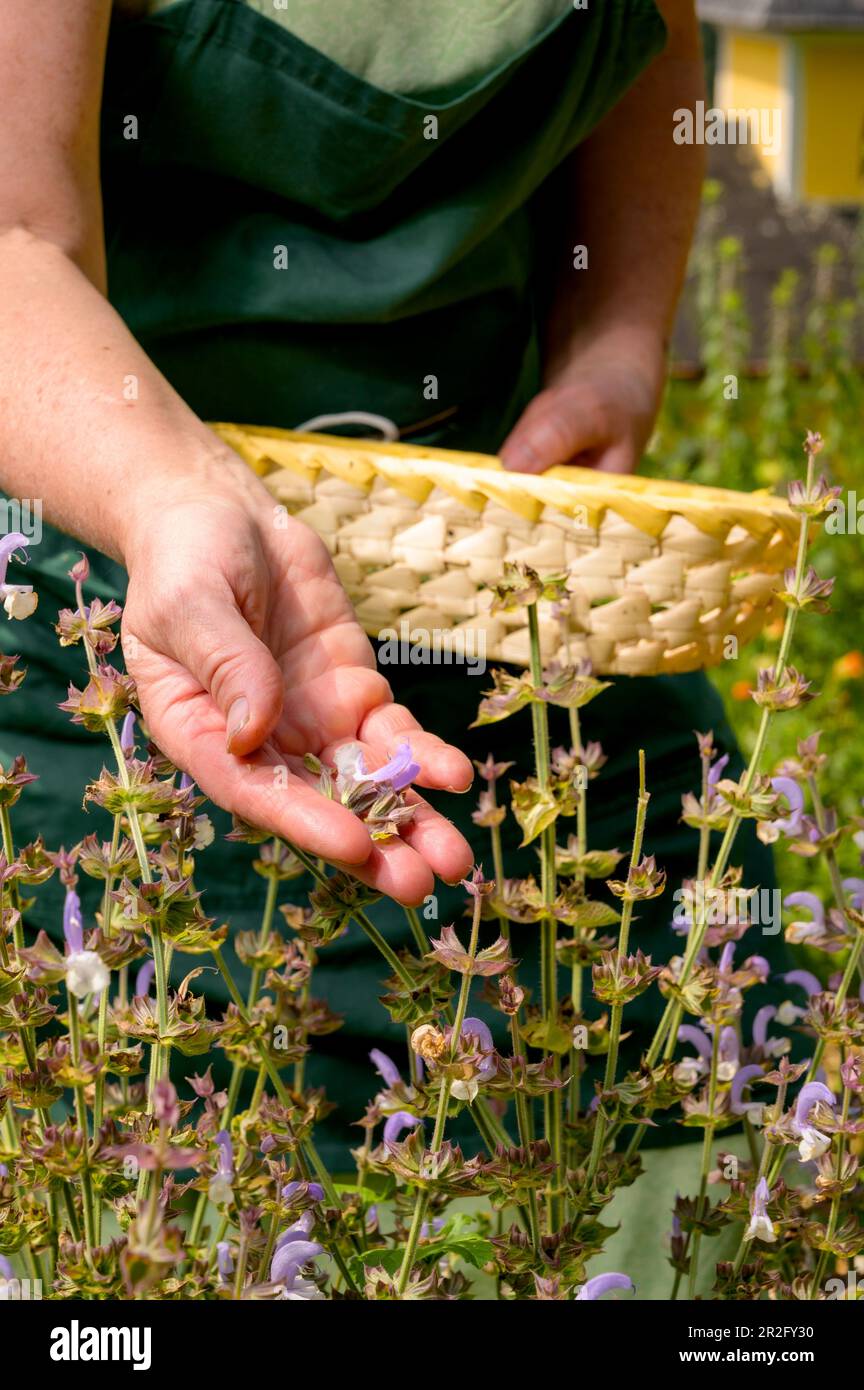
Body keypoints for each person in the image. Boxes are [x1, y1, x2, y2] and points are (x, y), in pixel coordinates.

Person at [0, 0, 777, 1166]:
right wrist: (170, 499)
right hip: (140, 651)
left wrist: (616, 336)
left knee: (649, 1106)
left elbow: (655, 41)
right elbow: (15, 244)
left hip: (535, 641)